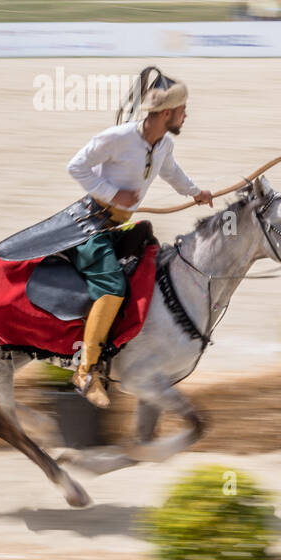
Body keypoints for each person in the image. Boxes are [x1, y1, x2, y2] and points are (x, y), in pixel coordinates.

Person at [64, 70, 213, 406]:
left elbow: (170, 170)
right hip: (91, 225)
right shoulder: (117, 137)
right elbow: (76, 166)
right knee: (113, 287)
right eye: (183, 110)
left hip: (120, 225)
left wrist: (195, 193)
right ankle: (86, 371)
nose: (186, 115)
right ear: (166, 113)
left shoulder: (165, 143)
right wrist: (113, 194)